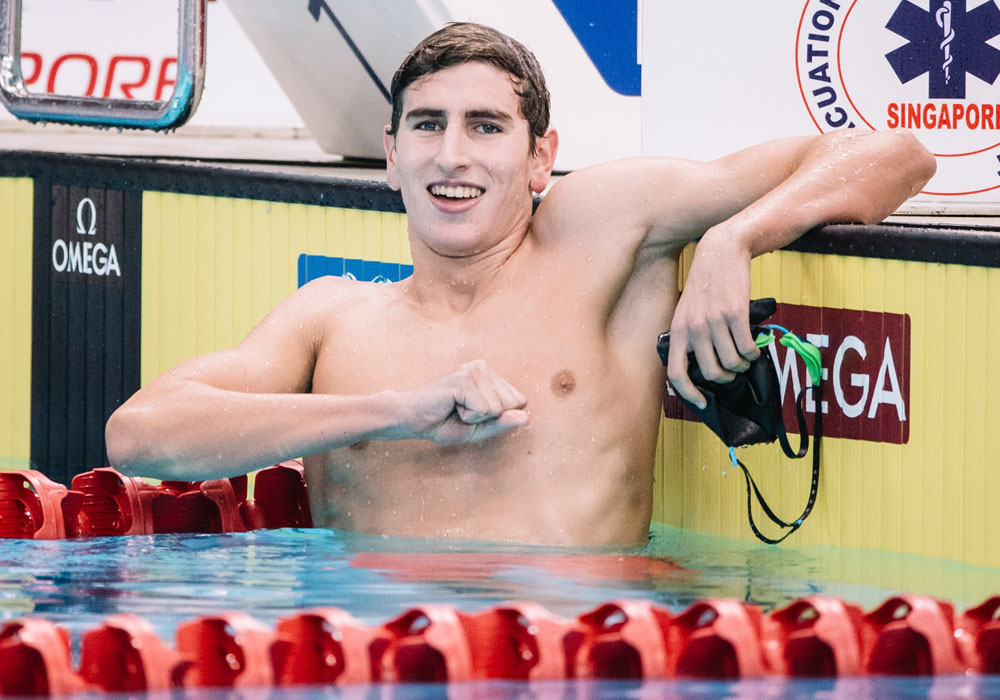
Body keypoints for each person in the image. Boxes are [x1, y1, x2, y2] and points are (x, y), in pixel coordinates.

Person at [105, 23, 935, 546]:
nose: (452, 156)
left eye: (487, 127)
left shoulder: (602, 235)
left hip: (583, 658)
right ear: (391, 154)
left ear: (541, 155)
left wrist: (735, 237)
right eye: (426, 127)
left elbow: (893, 155)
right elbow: (141, 438)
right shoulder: (333, 318)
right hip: (372, 661)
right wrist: (396, 411)